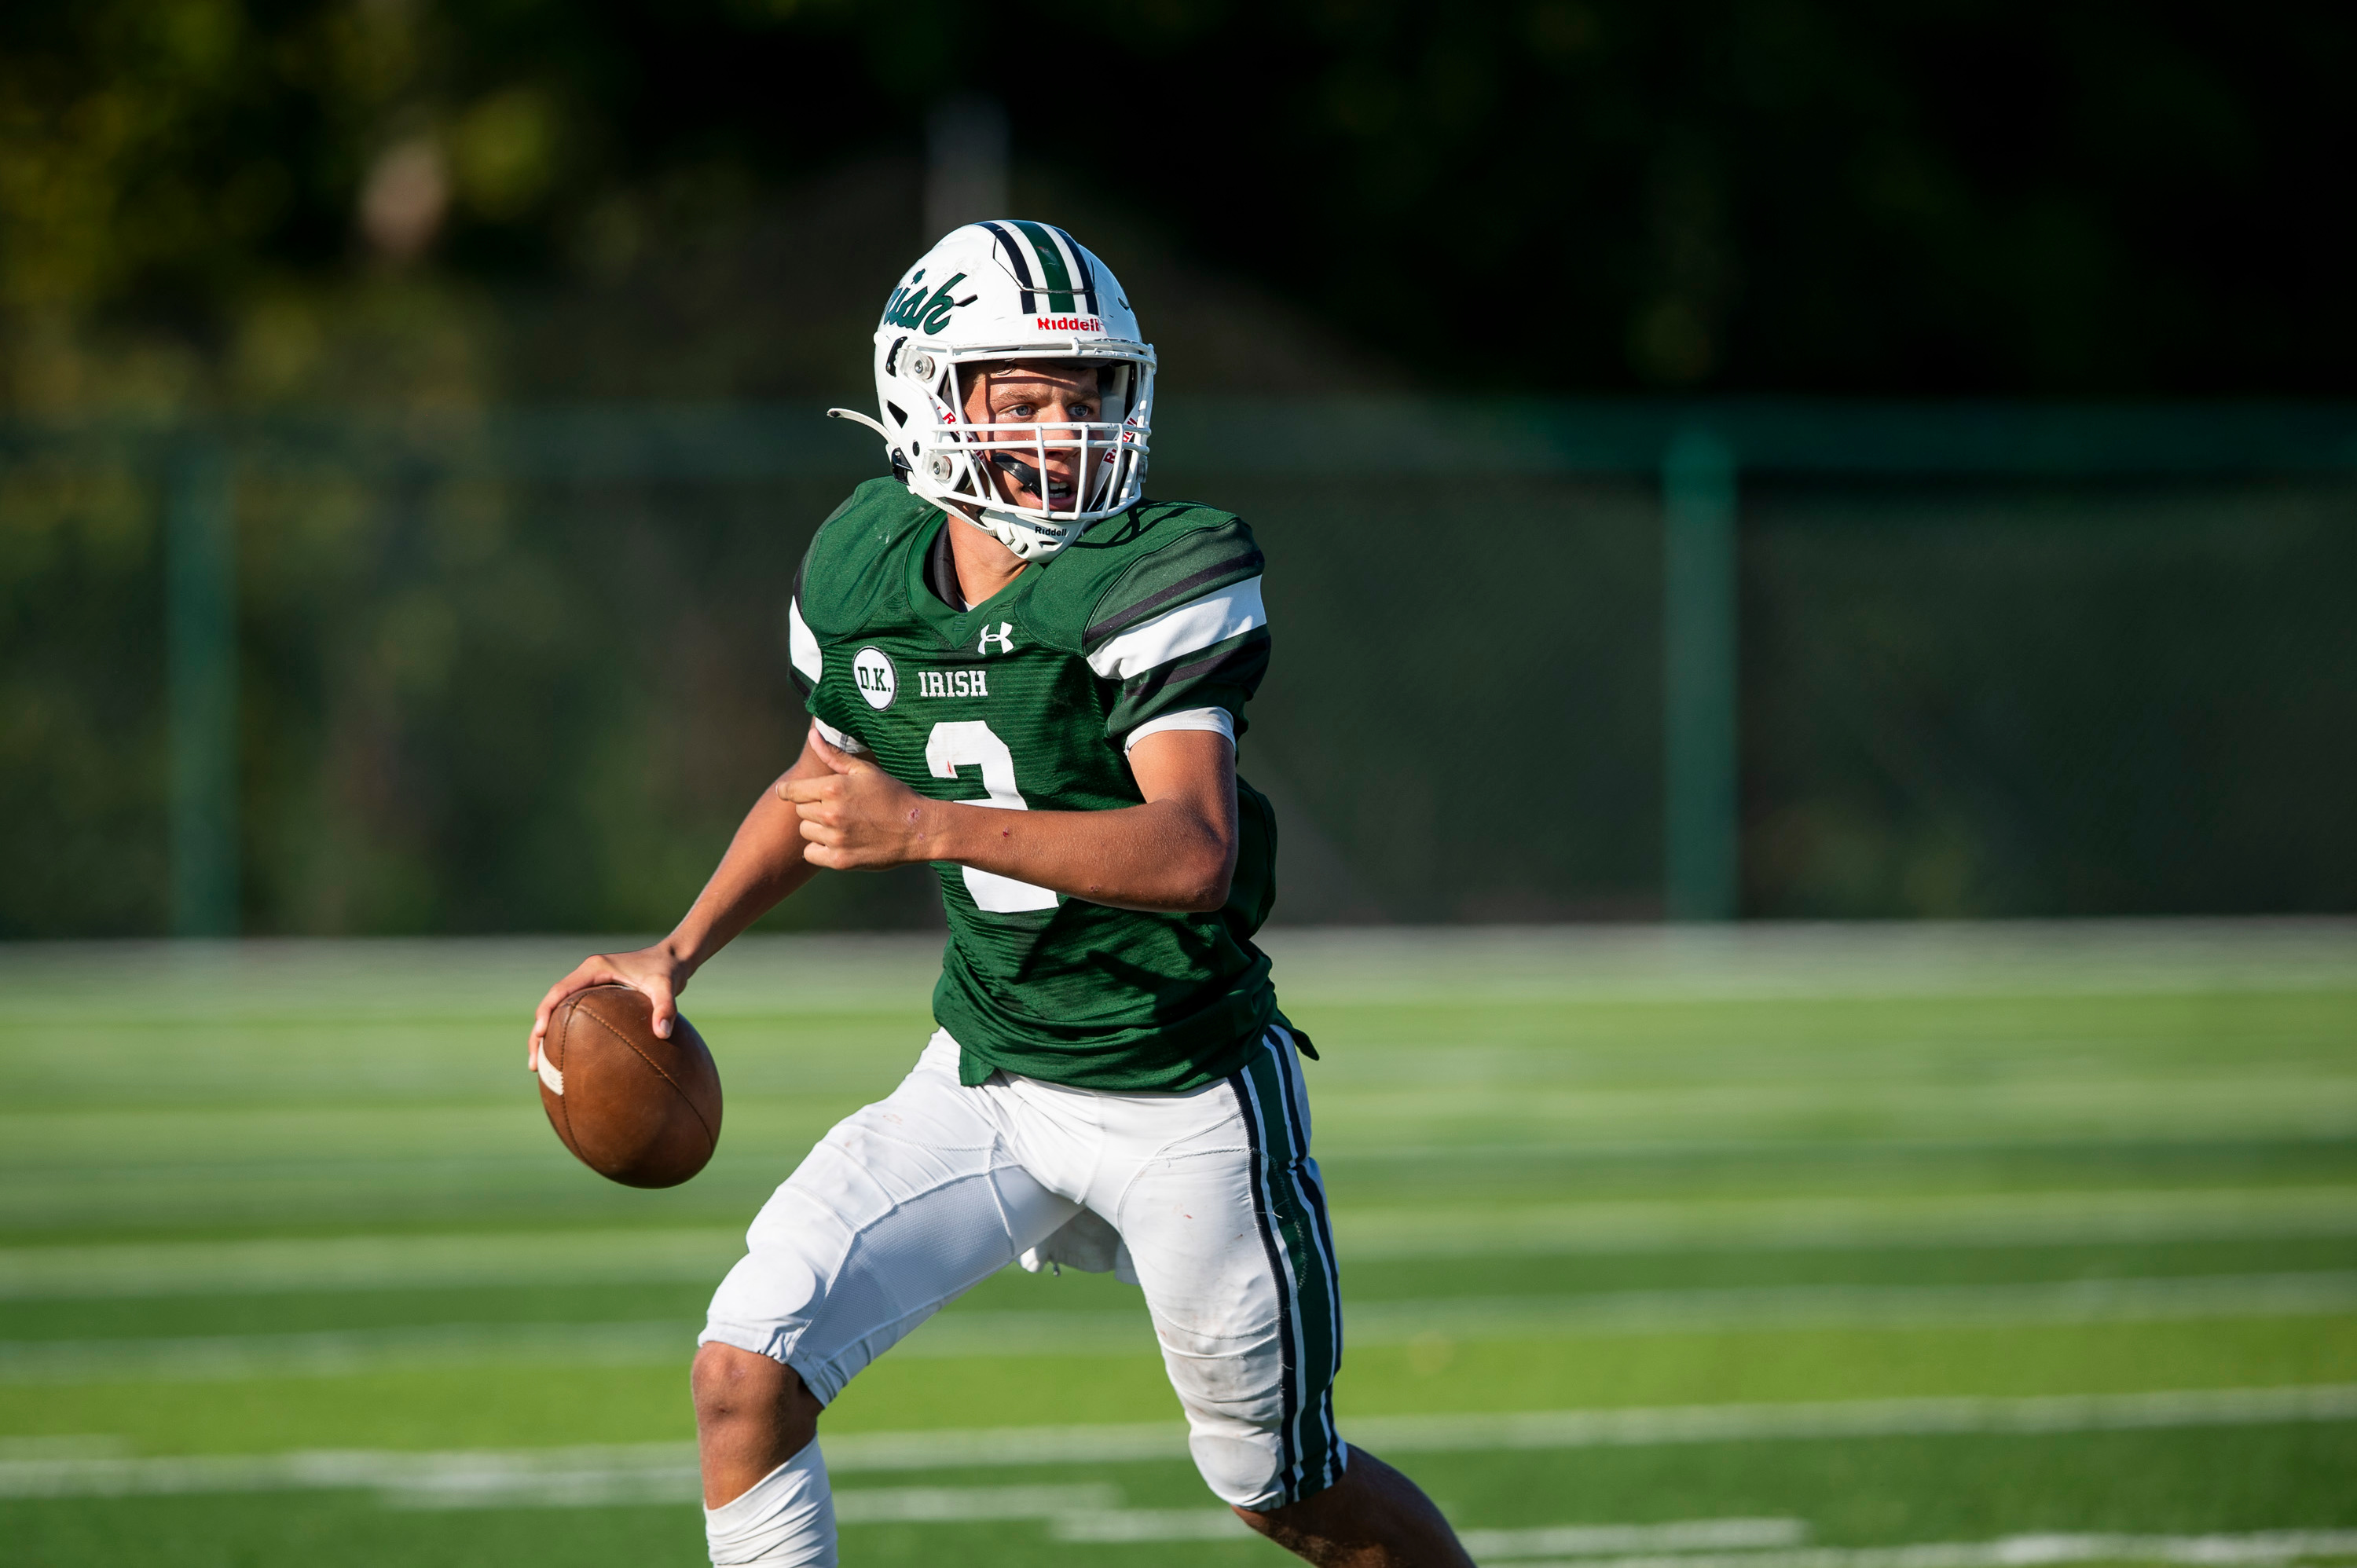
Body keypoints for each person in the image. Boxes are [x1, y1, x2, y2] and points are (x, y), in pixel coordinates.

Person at [530, 220, 1472, 1568]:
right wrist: (677, 951)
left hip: (1180, 1092)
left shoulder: (1158, 566)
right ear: (926, 401)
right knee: (744, 1374)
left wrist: (926, 824)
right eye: (1022, 401)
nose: (1066, 433)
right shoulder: (867, 560)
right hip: (989, 1075)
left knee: (1288, 1494)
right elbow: (822, 775)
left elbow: (1192, 850)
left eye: (1085, 398)